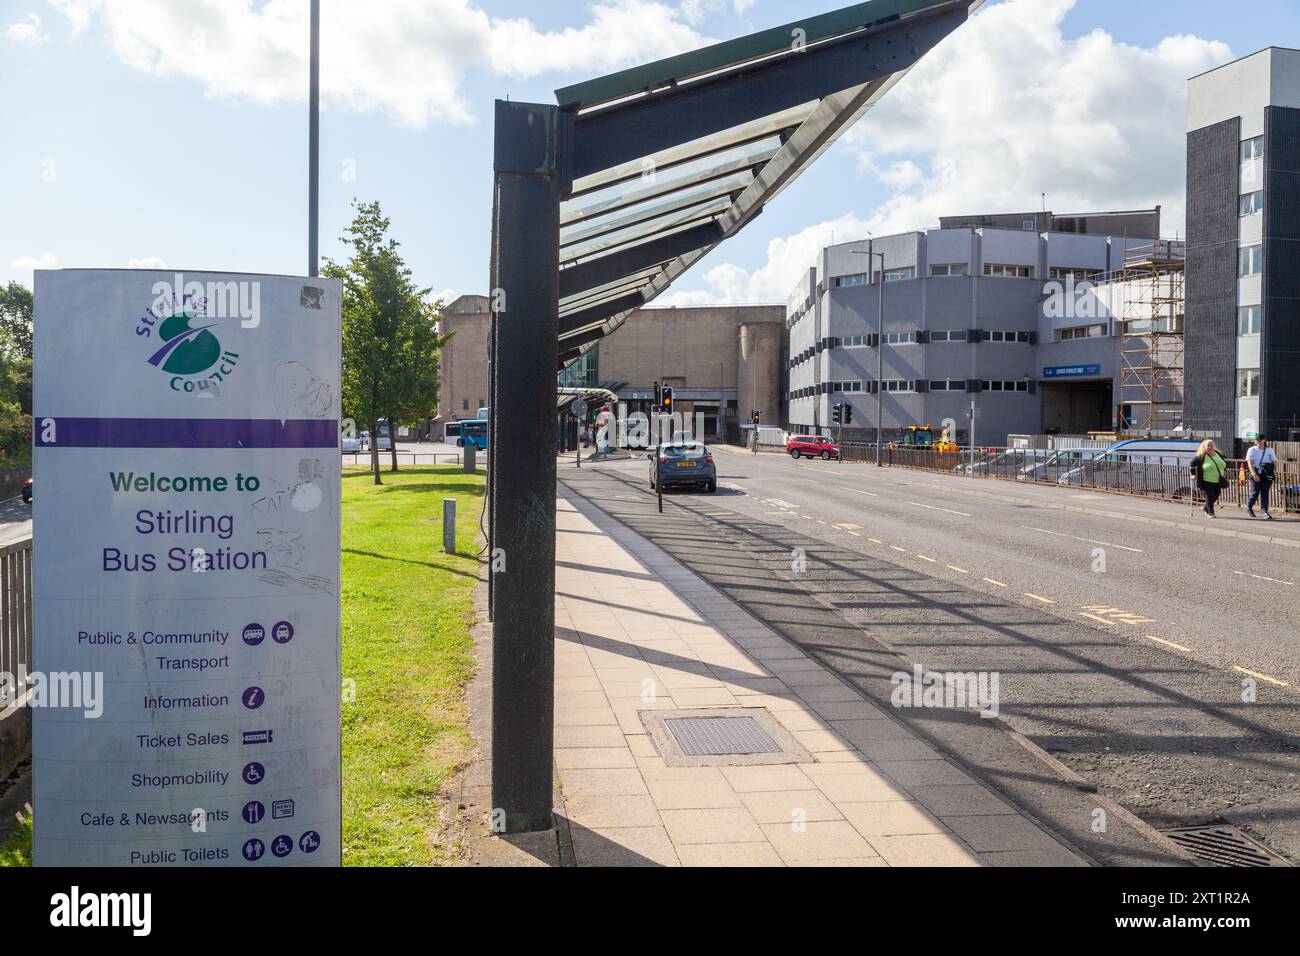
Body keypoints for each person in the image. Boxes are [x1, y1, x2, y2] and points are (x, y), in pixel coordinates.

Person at [1190, 438, 1228, 517]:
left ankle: (1205, 507)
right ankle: (1210, 513)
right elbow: (1192, 464)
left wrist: (1224, 470)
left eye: (1211, 445)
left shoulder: (1218, 454)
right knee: (1210, 497)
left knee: (1215, 496)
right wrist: (1193, 474)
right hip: (1207, 480)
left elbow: (1222, 463)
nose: (1210, 447)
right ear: (1204, 447)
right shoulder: (1202, 457)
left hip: (1218, 480)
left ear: (1214, 446)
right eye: (1208, 446)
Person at [1246, 434, 1277, 519]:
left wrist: (1270, 468)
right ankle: (1249, 508)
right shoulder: (1252, 450)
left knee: (1265, 493)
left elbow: (1274, 462)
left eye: (1260, 439)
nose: (1258, 441)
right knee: (1255, 492)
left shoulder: (1270, 450)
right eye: (1257, 440)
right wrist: (1254, 474)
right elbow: (1250, 463)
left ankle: (1265, 511)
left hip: (1266, 474)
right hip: (1255, 472)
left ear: (1264, 440)